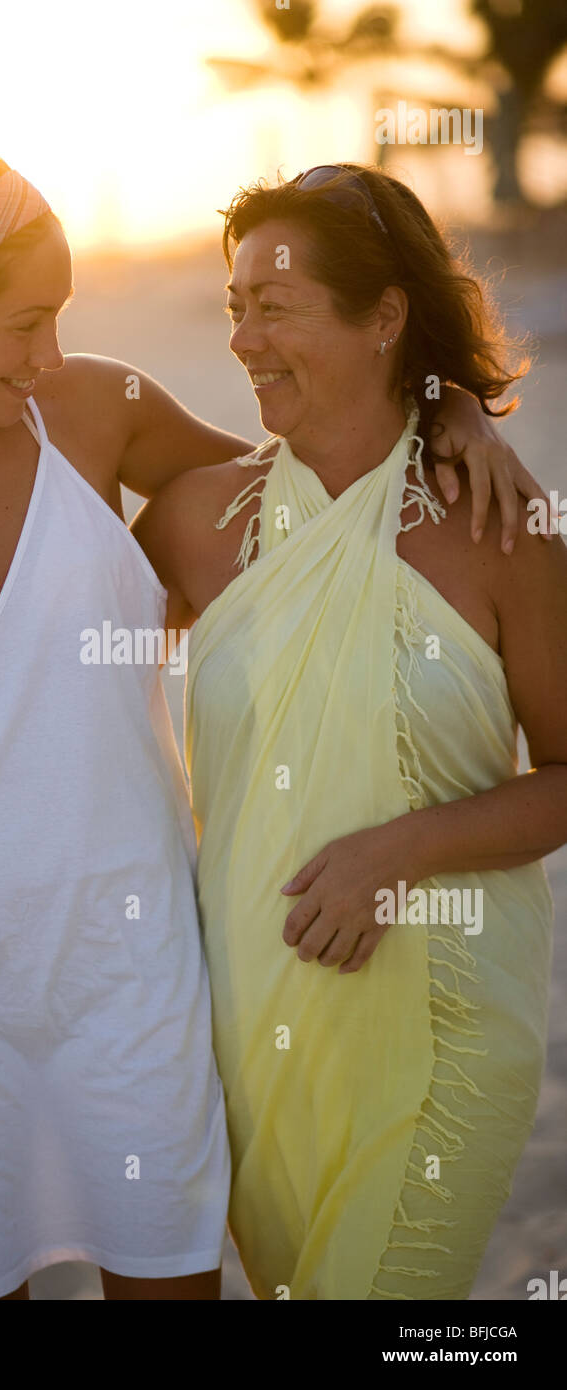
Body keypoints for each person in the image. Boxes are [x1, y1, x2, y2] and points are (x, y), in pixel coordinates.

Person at [0, 111, 540, 1303]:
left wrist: (451, 406)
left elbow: (320, 488)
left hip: (138, 975)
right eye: (24, 323)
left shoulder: (97, 412)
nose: (51, 350)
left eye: (62, 314)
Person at [131, 163, 567, 1299]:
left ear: (383, 316)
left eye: (273, 305)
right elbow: (43, 652)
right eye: (233, 305)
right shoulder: (192, 520)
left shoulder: (498, 528)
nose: (241, 338)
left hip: (445, 1020)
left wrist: (399, 850)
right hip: (249, 1021)